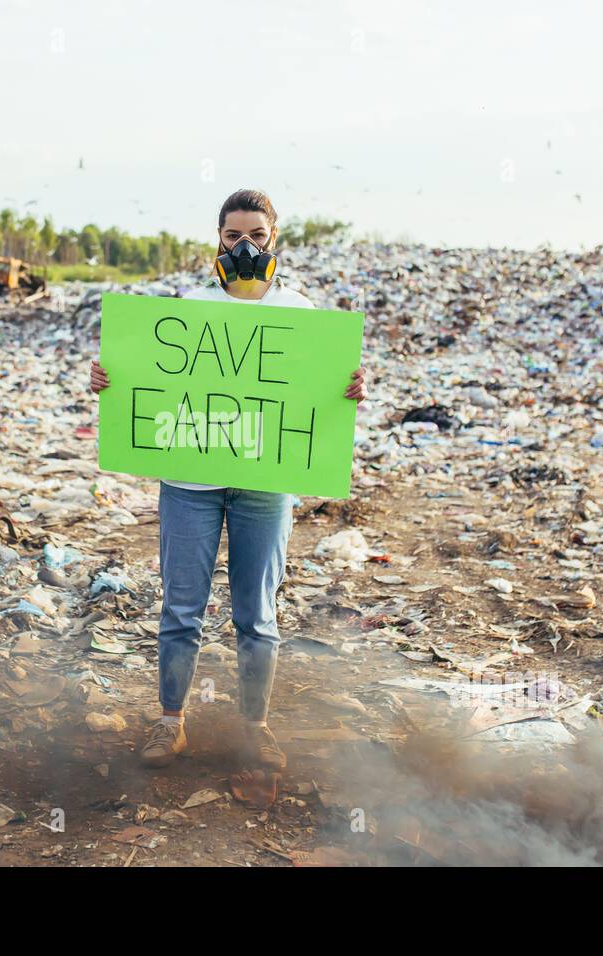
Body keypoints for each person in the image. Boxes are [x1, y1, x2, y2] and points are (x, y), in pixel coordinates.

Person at [89, 188, 368, 770]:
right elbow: (147, 377)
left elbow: (317, 390)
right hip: (189, 481)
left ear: (275, 241)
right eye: (234, 235)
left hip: (266, 486)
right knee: (181, 608)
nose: (245, 246)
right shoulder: (187, 307)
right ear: (218, 239)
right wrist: (109, 381)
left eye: (256, 236)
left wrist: (348, 391)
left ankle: (255, 730)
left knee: (257, 614)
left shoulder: (300, 313)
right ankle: (171, 725)